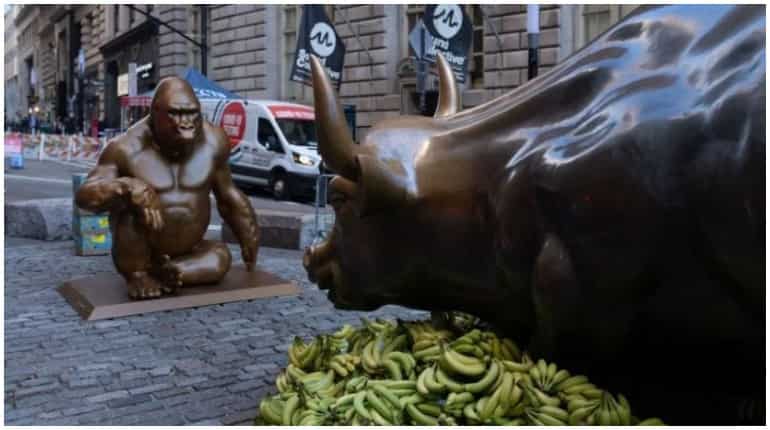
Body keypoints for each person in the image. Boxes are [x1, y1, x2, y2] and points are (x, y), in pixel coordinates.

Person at [75, 77, 259, 299]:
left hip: (191, 249)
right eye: (176, 114)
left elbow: (227, 194)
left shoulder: (214, 141)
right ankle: (139, 273)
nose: (187, 122)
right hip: (142, 248)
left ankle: (174, 271)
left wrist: (247, 231)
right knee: (130, 215)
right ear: (155, 114)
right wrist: (126, 186)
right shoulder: (124, 148)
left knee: (220, 258)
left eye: (192, 113)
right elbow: (84, 196)